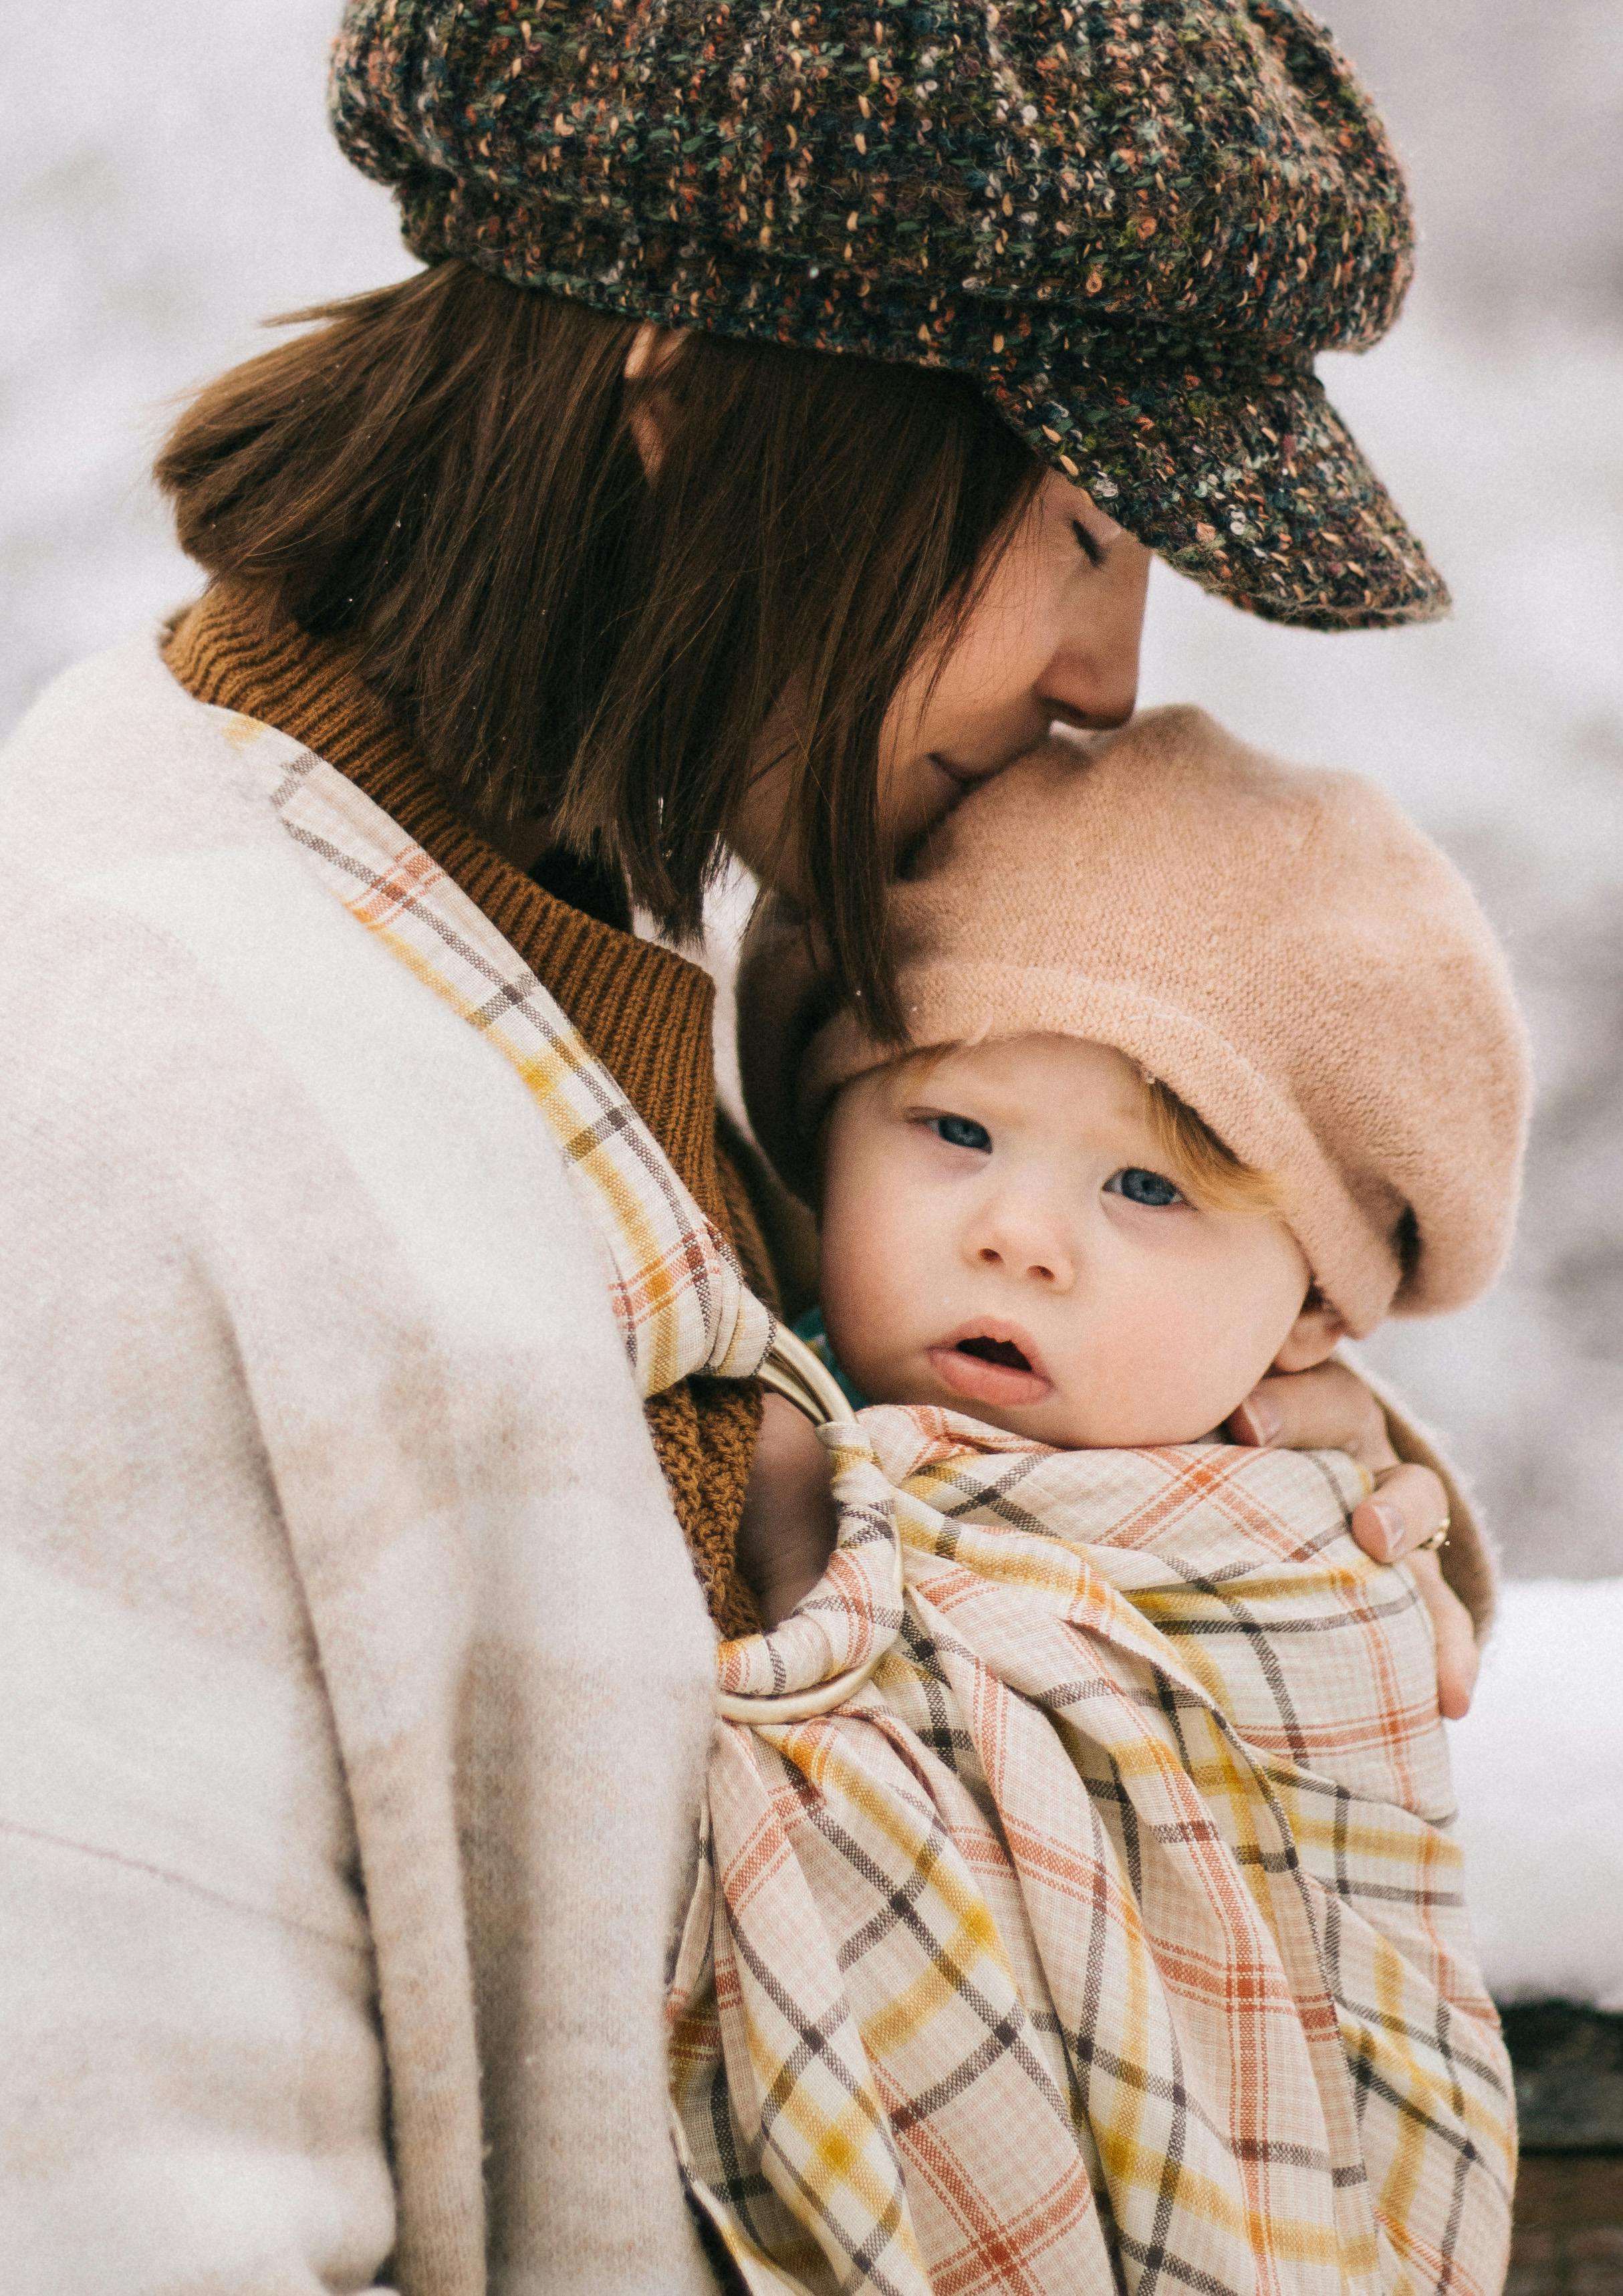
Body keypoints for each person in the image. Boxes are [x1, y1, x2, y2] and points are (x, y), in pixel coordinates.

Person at [0, 1, 1495, 2287]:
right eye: (1081, 530)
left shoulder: (552, 972)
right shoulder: (142, 1106)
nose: (1107, 678)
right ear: (684, 408)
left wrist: (1162, 1513)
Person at [692, 706, 1523, 2290]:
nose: (1017, 1234)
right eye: (951, 1128)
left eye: (1144, 1186)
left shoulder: (1301, 1542)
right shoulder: (728, 1411)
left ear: (1308, 1312)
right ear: (822, 1143)